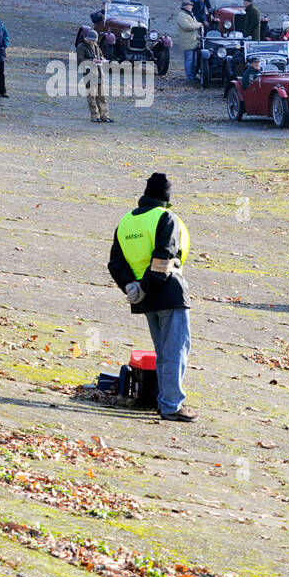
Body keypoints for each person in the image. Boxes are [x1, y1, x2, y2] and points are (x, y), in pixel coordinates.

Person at [107, 172, 194, 422]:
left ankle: (164, 400)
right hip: (168, 292)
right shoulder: (165, 217)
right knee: (176, 350)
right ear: (166, 198)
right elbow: (164, 257)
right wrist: (146, 285)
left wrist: (131, 287)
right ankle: (171, 405)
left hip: (144, 299)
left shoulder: (125, 222)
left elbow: (115, 263)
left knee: (163, 350)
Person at [77, 29, 111, 122]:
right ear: (87, 39)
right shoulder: (81, 47)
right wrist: (91, 61)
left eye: (95, 40)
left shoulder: (96, 46)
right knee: (92, 97)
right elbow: (80, 61)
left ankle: (105, 116)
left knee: (102, 97)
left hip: (99, 74)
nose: (94, 42)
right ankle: (95, 116)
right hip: (89, 75)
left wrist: (103, 60)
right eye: (92, 40)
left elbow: (101, 56)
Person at [176, 0, 202, 84]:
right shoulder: (182, 16)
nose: (191, 7)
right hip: (187, 42)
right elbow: (187, 26)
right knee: (189, 60)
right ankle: (189, 78)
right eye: (190, 6)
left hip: (194, 42)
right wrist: (199, 24)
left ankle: (193, 76)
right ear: (185, 6)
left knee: (194, 61)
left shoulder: (189, 15)